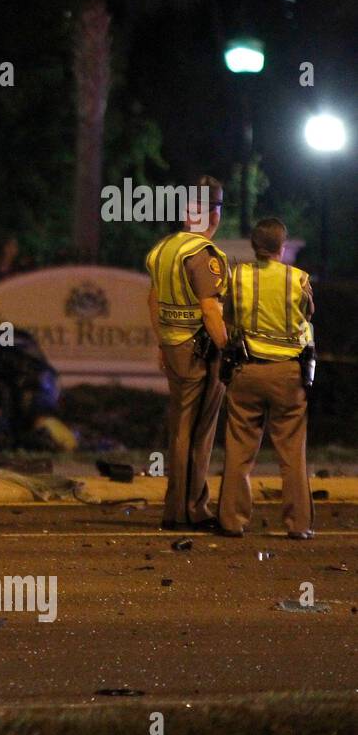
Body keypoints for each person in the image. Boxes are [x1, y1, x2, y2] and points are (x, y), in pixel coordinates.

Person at [217, 218, 315, 539]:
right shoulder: (298, 279)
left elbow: (228, 317)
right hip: (288, 374)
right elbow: (307, 316)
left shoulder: (238, 276)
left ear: (253, 247)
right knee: (292, 453)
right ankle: (298, 525)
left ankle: (232, 521)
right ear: (281, 247)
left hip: (248, 371)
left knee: (239, 450)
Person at [144, 175, 230, 530]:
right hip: (201, 352)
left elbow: (152, 298)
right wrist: (229, 350)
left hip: (174, 348)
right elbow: (210, 310)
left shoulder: (163, 249)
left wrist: (163, 342)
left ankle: (174, 510)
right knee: (200, 432)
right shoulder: (203, 254)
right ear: (214, 214)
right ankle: (194, 508)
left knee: (180, 429)